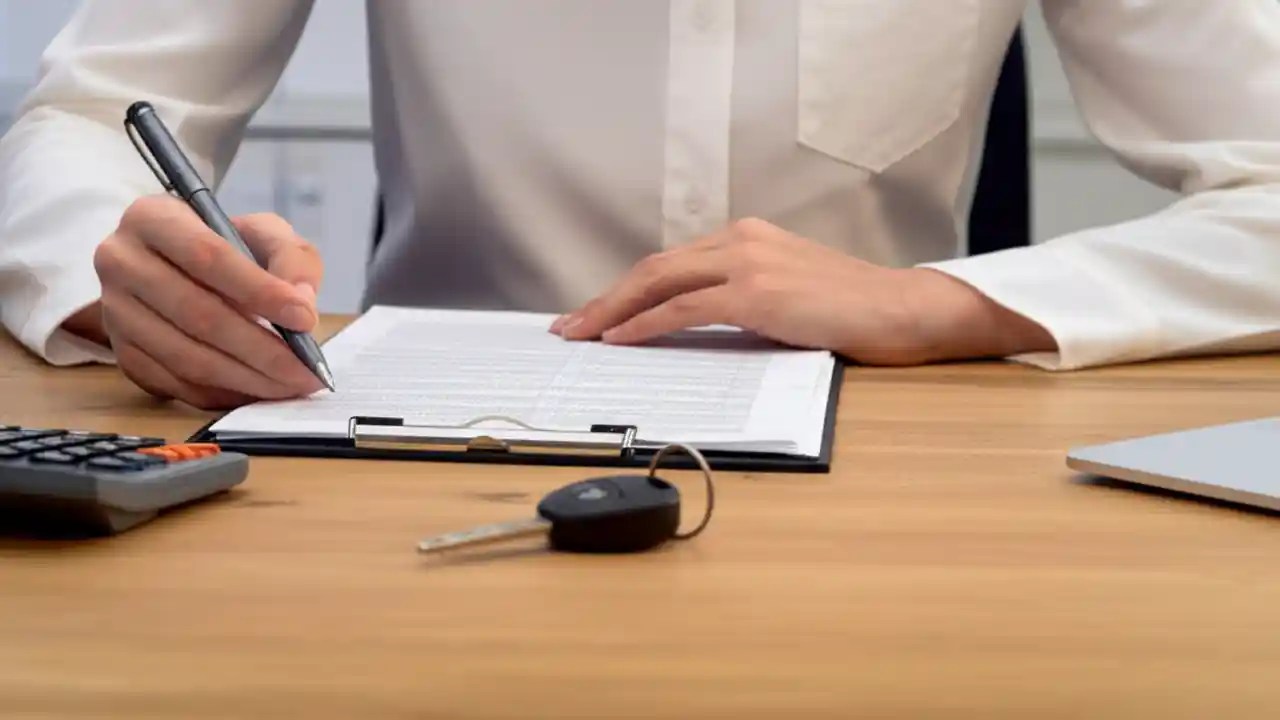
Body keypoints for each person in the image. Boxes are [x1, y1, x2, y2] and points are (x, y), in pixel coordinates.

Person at [1, 1, 1278, 410]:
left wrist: (938, 302)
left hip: (891, 473)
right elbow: (85, 121)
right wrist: (120, 280)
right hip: (399, 461)